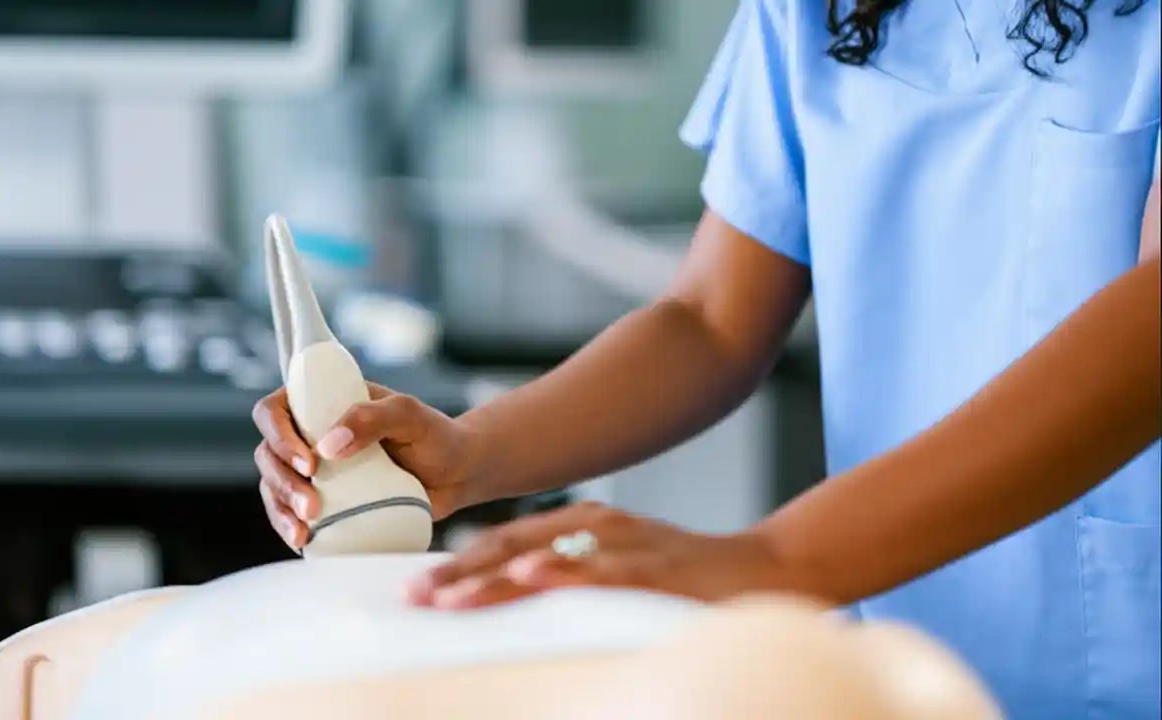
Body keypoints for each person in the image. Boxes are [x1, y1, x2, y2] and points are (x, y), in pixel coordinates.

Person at [253, 1, 1161, 717]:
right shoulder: (816, 12)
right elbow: (710, 318)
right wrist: (471, 454)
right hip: (898, 659)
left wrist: (768, 560)